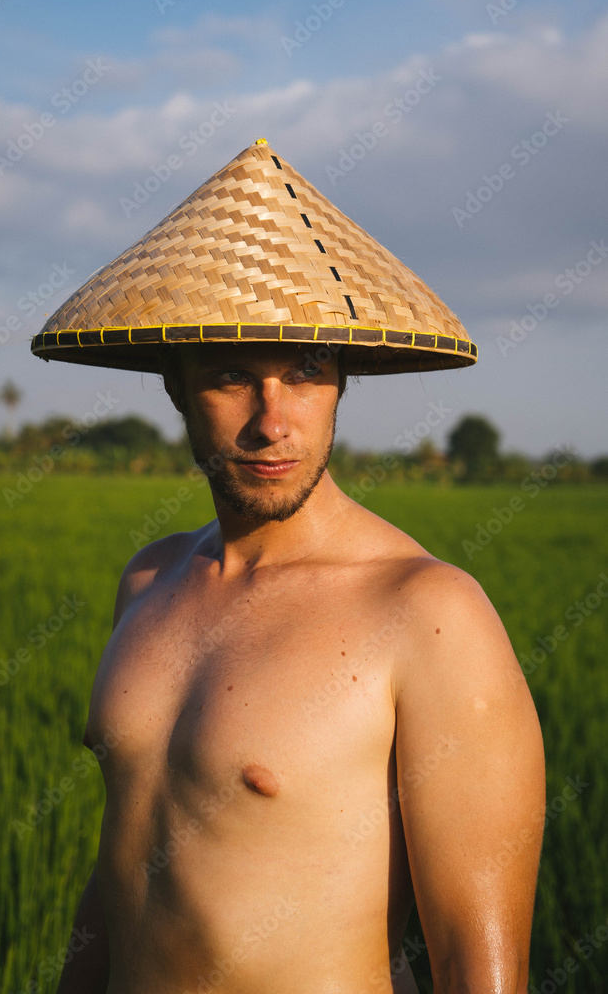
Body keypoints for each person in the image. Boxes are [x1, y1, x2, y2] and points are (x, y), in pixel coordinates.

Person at [30, 139, 545, 993]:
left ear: (342, 380)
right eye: (233, 375)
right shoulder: (148, 581)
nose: (273, 422)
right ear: (173, 384)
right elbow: (120, 888)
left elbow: (475, 965)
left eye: (305, 372)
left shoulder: (428, 613)